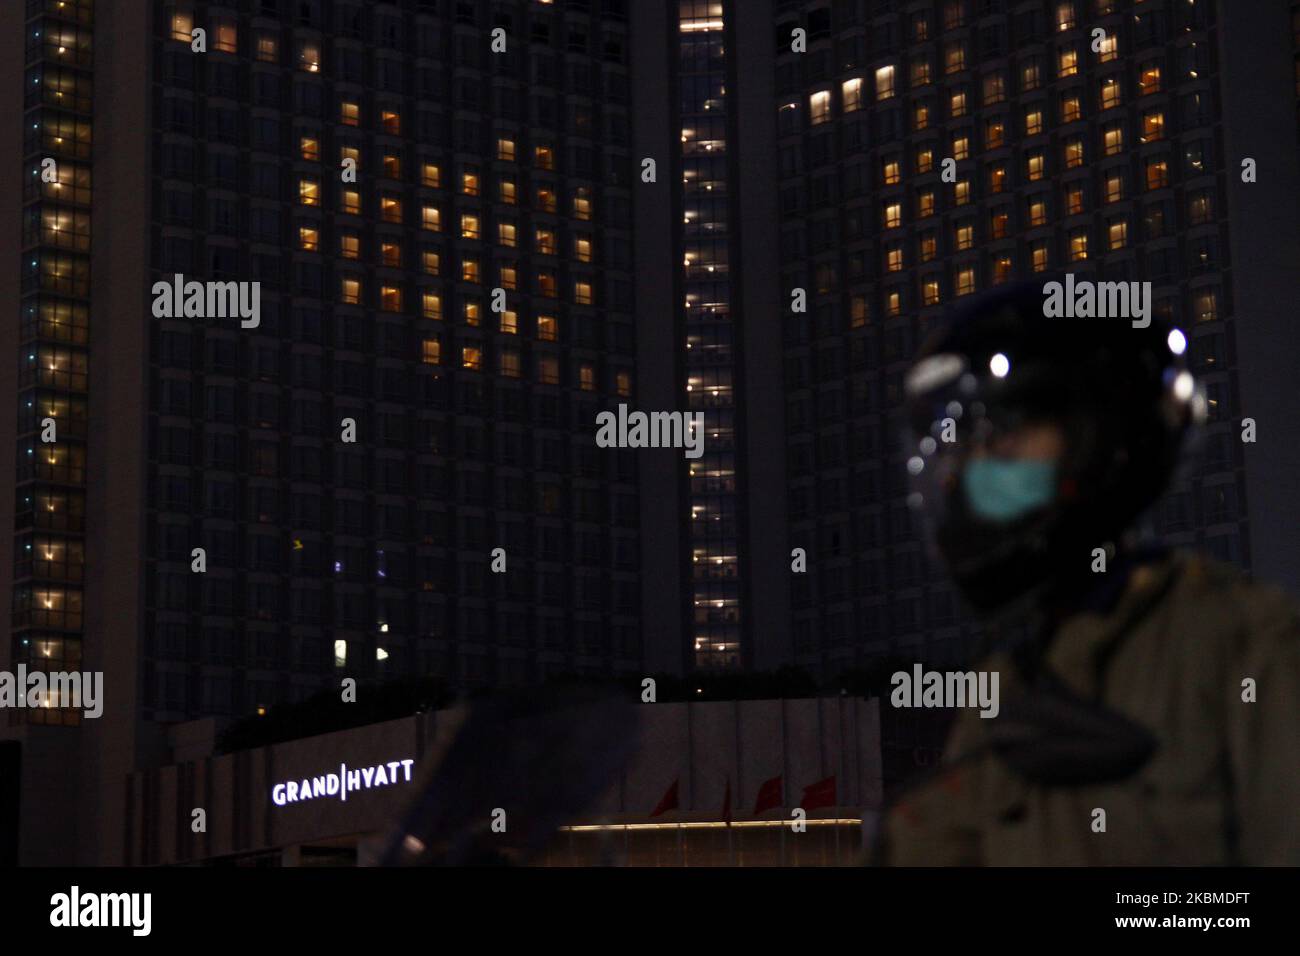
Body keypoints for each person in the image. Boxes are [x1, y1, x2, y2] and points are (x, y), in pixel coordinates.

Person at [874, 279, 1300, 865]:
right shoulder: (1008, 680)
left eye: (1007, 440)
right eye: (966, 448)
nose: (971, 474)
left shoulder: (1251, 647)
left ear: (1097, 438)